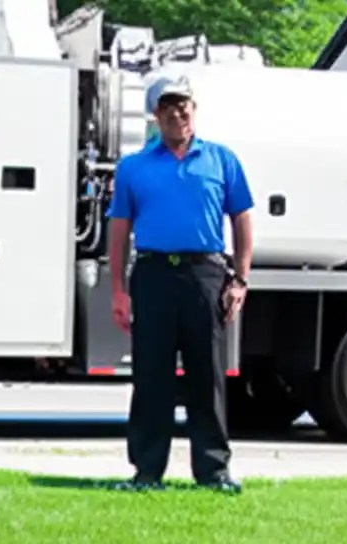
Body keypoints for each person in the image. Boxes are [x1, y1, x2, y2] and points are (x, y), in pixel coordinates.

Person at [105, 76, 254, 494]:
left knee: (206, 375)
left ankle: (214, 471)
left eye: (183, 104)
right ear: (156, 115)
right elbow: (119, 230)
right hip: (152, 276)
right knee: (152, 376)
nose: (177, 113)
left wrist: (240, 278)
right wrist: (118, 290)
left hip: (205, 275)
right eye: (168, 106)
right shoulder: (133, 167)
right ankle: (147, 472)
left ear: (194, 107)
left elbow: (242, 218)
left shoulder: (222, 160)